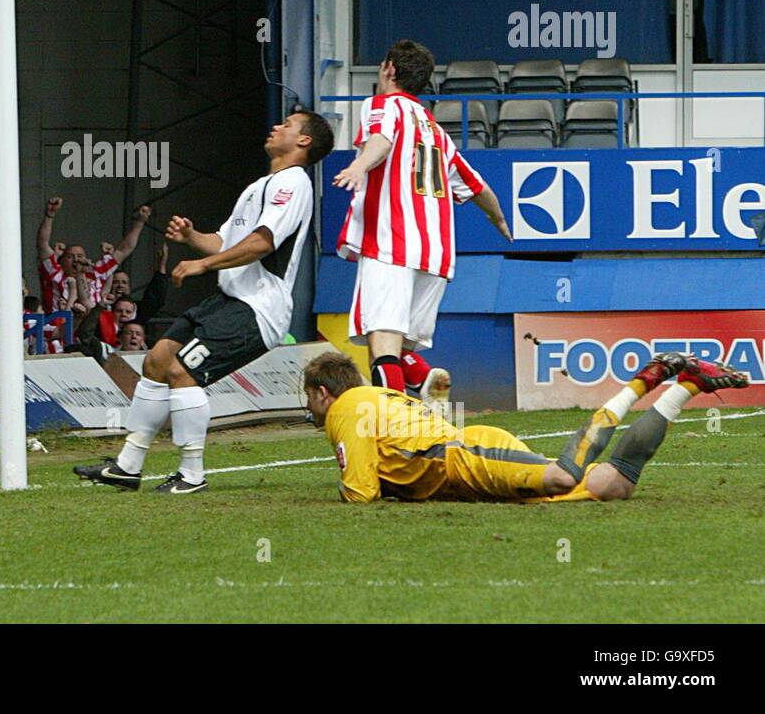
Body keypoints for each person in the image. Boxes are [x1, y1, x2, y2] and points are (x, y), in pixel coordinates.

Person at [75, 110, 334, 494]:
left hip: (258, 309)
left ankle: (192, 474)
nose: (277, 125)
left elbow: (262, 243)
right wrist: (194, 237)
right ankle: (128, 466)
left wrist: (203, 264)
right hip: (229, 299)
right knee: (157, 359)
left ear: (304, 141)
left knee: (182, 371)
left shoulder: (294, 184)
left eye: (288, 124)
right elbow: (225, 241)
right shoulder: (259, 186)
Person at [303, 349, 748, 504]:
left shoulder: (345, 408)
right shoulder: (379, 397)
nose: (311, 408)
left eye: (309, 398)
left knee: (561, 476)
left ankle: (647, 379)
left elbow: (361, 493)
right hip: (465, 465)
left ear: (324, 392)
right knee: (614, 485)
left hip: (468, 458)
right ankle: (686, 384)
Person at [333, 40, 509, 402]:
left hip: (391, 242)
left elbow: (381, 140)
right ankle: (425, 381)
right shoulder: (438, 133)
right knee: (397, 347)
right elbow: (478, 187)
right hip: (436, 255)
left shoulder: (382, 105)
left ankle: (392, 428)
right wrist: (501, 220)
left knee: (381, 339)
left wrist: (358, 165)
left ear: (390, 70)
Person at [35, 198, 150, 313]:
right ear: (62, 261)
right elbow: (42, 244)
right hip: (59, 327)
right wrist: (49, 215)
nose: (76, 260)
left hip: (91, 328)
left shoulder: (97, 272)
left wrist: (139, 223)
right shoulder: (54, 272)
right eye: (70, 256)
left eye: (80, 256)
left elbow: (123, 250)